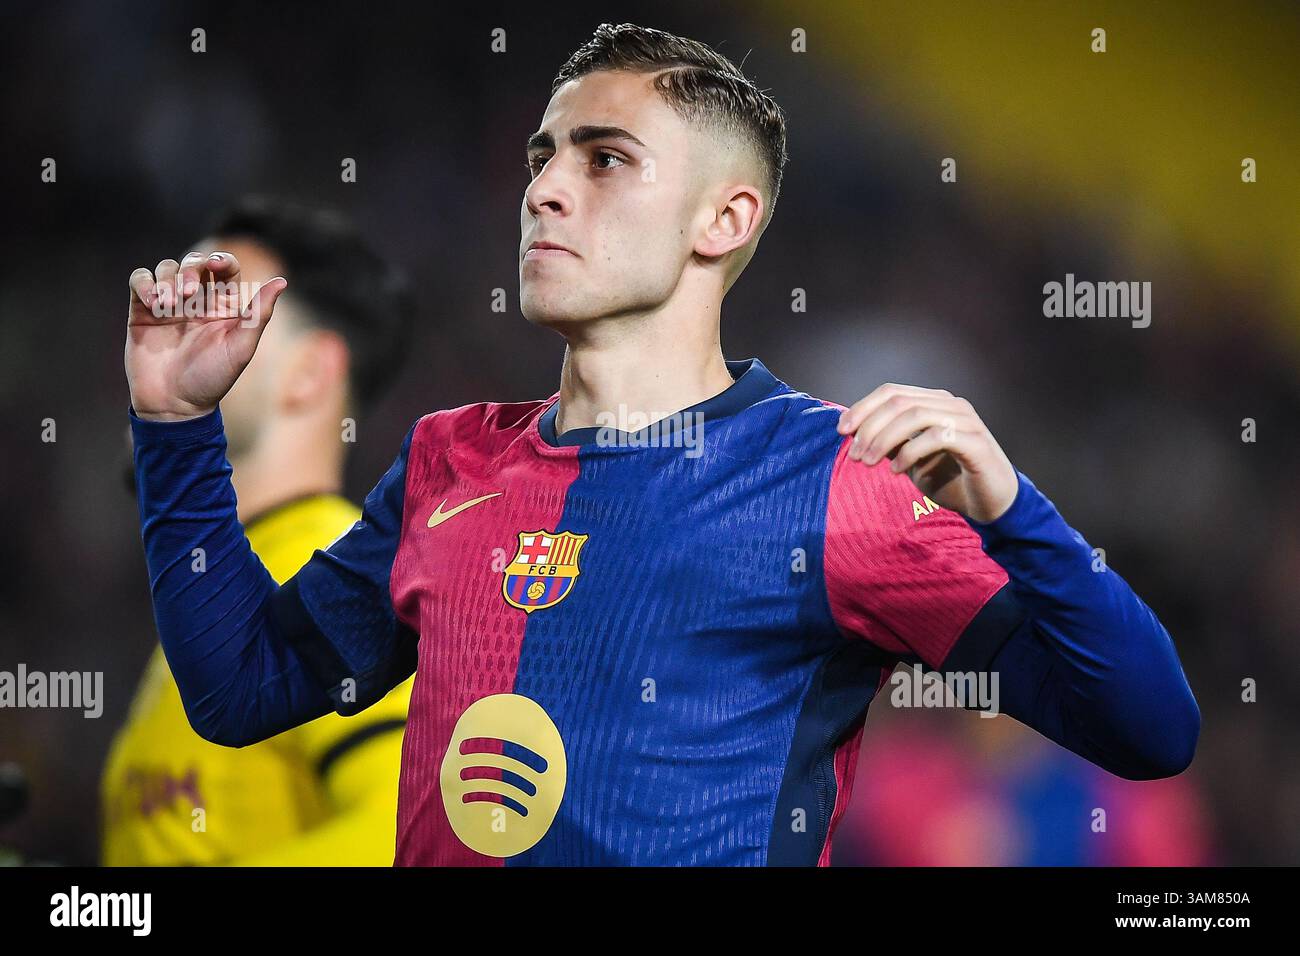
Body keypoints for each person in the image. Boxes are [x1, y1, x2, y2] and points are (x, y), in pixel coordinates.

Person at [122, 24, 1199, 866]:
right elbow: (241, 685)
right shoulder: (451, 463)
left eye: (605, 159)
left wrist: (1016, 511)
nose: (542, 186)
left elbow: (1150, 725)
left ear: (721, 220)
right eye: (544, 155)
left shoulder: (835, 482)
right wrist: (176, 427)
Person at [104, 197, 415, 865]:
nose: (167, 318)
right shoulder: (210, 599)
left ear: (309, 371)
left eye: (211, 299)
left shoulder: (341, 575)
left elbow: (400, 832)